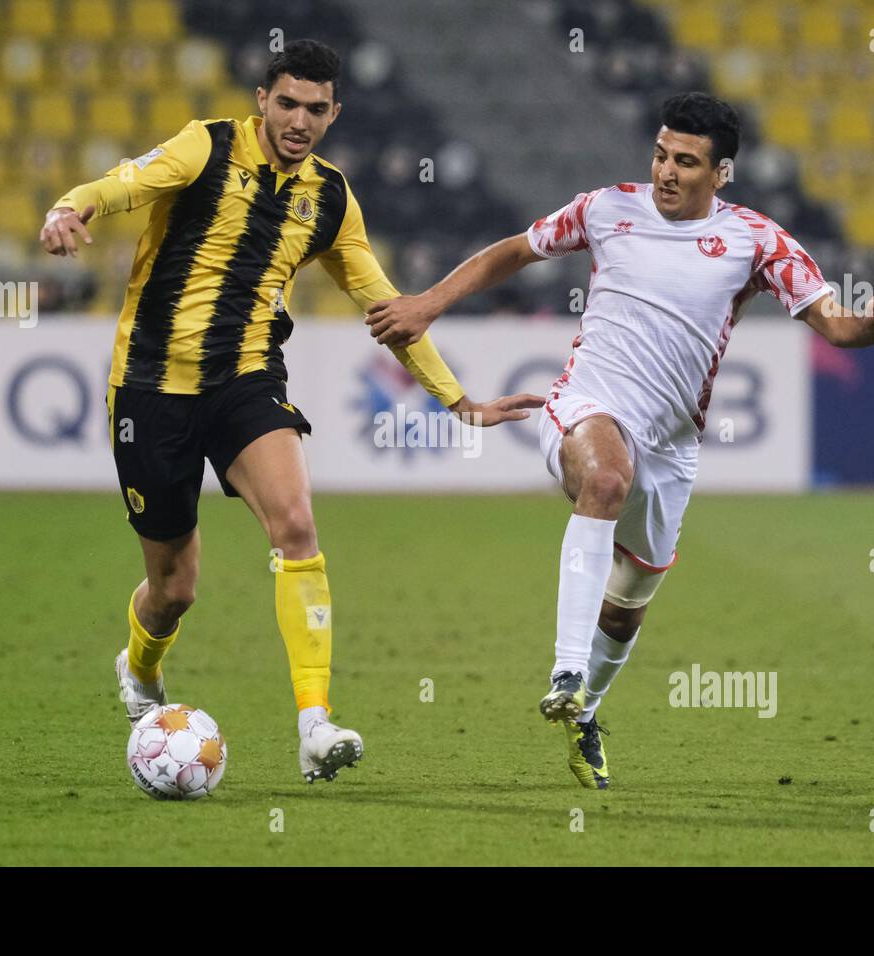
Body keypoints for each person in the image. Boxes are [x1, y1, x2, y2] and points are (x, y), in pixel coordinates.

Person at [365, 91, 874, 789]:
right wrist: (428, 303)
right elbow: (516, 250)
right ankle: (565, 669)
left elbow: (835, 324)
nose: (666, 172)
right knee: (604, 480)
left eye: (686, 161)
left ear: (722, 173)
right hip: (586, 405)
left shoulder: (757, 241)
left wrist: (872, 325)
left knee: (629, 602)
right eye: (660, 154)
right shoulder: (605, 208)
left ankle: (585, 707)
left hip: (673, 445)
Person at [40, 39, 541, 783]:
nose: (300, 120)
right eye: (287, 104)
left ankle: (313, 724)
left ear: (334, 112)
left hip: (245, 383)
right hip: (149, 387)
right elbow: (121, 186)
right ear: (262, 101)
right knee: (175, 588)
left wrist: (458, 400)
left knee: (297, 524)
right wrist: (67, 207)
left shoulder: (330, 199)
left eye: (316, 108)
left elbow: (389, 308)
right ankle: (139, 668)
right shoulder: (206, 148)